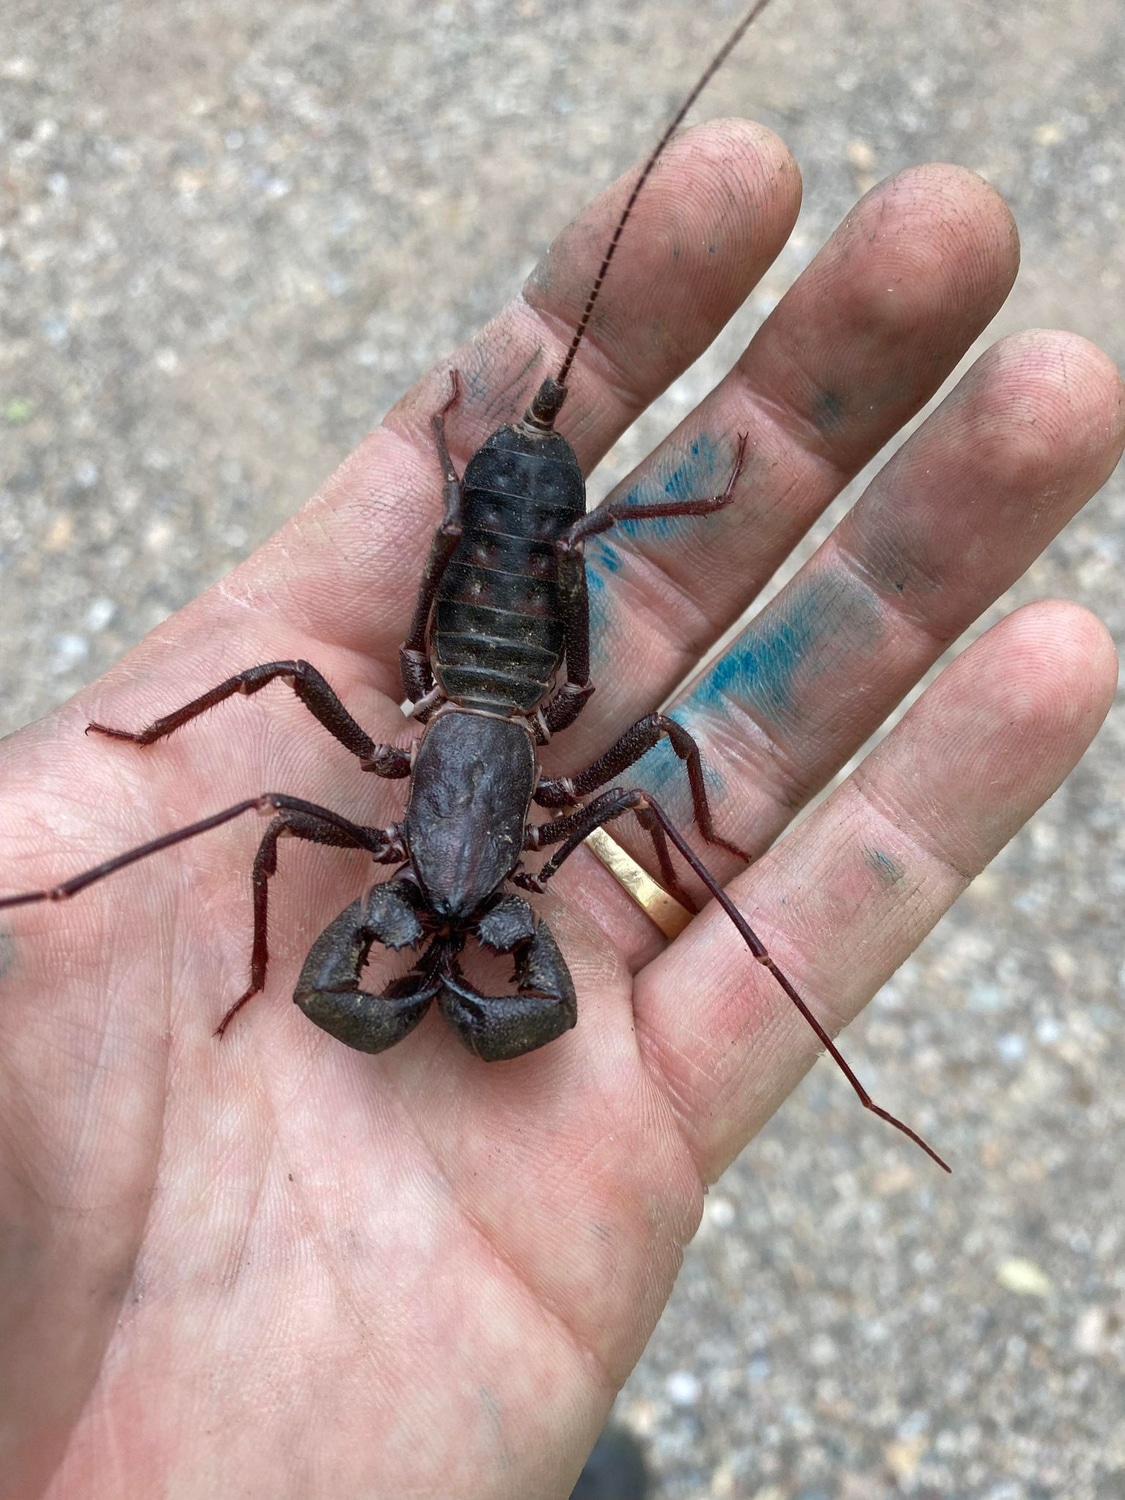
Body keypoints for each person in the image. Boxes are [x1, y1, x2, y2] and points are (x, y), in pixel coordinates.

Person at [0, 120, 1119, 1499]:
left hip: (486, 679)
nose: (443, 918)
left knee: (524, 723)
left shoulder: (500, 804)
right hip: (473, 686)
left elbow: (639, 781)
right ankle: (63, 887)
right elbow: (430, 773)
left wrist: (689, 827)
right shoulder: (497, 825)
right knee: (289, 784)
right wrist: (148, 919)